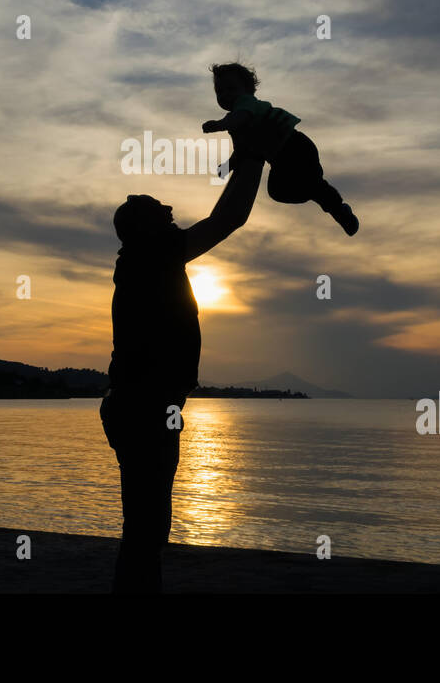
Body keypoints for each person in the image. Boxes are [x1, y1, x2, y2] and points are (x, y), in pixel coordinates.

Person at [100, 154, 264, 593]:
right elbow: (227, 218)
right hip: (144, 407)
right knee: (147, 527)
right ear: (144, 229)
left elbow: (223, 217)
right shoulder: (150, 258)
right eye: (161, 211)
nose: (172, 214)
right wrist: (255, 156)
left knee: (147, 527)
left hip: (145, 405)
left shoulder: (146, 259)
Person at [202, 61, 358, 235]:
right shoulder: (235, 121)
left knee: (315, 185)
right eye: (219, 91)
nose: (224, 95)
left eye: (231, 89)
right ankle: (323, 199)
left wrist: (219, 125)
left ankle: (337, 207)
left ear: (247, 90)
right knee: (277, 192)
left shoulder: (246, 105)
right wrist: (229, 165)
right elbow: (243, 149)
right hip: (279, 159)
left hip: (295, 146)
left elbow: (239, 118)